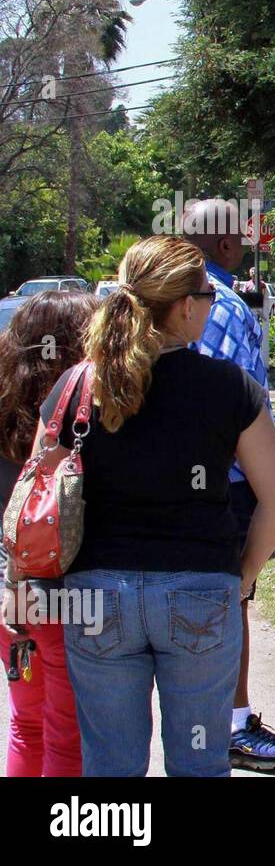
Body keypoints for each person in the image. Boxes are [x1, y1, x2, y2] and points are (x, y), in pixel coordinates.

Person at [44, 237, 275, 776]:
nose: (211, 305)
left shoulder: (77, 387)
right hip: (201, 590)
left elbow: (42, 490)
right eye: (207, 296)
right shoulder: (230, 387)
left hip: (95, 598)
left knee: (109, 765)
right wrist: (242, 575)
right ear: (184, 306)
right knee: (199, 762)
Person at [181, 198, 275, 770]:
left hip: (166, 484)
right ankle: (233, 724)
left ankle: (200, 728)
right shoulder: (222, 303)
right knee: (233, 601)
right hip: (220, 488)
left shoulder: (153, 300)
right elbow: (231, 409)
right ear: (227, 247)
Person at [0, 289, 97, 777]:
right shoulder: (81, 415)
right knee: (66, 731)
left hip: (7, 598)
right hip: (60, 595)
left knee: (25, 724)